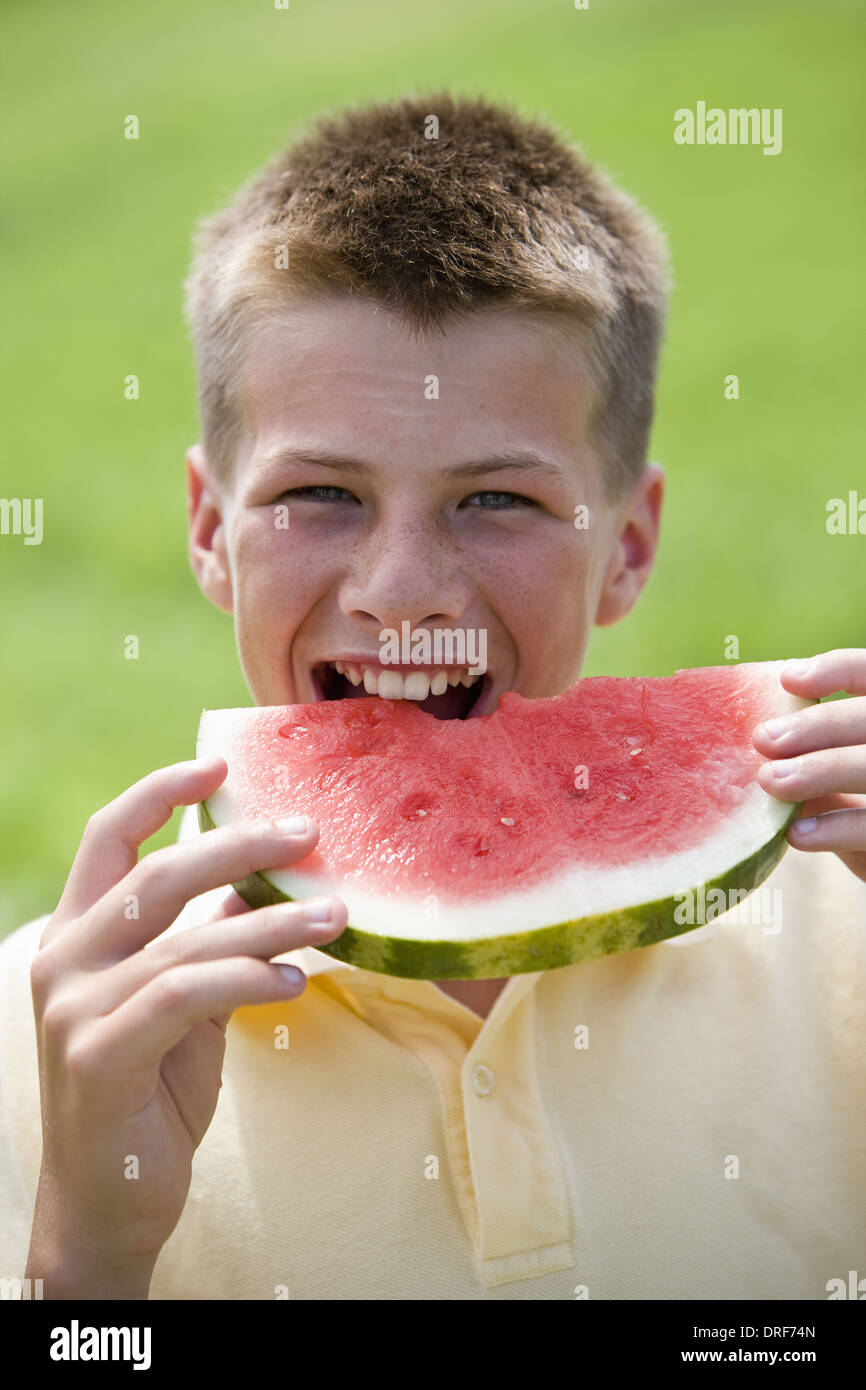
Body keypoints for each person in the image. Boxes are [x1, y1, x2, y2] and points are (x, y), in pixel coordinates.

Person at [1, 92, 864, 1301]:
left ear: (625, 544)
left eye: (496, 501)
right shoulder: (57, 1044)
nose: (400, 593)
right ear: (209, 528)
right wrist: (83, 1254)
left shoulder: (840, 945)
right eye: (320, 494)